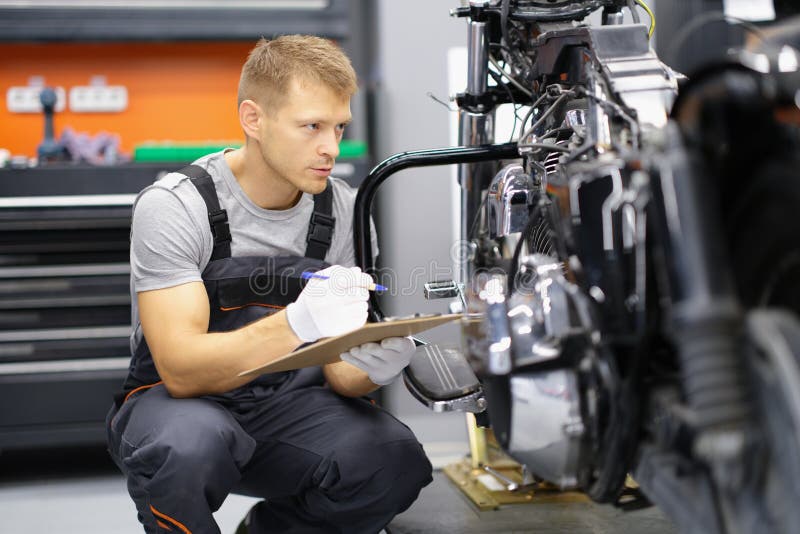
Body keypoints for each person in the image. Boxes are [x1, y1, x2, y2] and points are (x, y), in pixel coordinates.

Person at [105, 35, 433, 534]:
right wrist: (298, 321)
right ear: (253, 119)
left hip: (286, 405)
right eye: (312, 127)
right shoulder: (177, 206)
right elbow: (181, 371)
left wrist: (375, 366)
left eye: (339, 126)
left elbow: (341, 377)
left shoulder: (342, 210)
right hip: (179, 409)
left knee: (391, 458)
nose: (331, 147)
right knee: (187, 447)